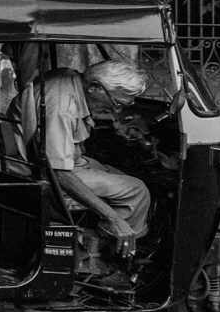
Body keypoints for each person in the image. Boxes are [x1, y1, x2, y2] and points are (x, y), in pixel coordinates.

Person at [38, 58, 153, 285]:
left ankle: (101, 242)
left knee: (120, 175)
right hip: (45, 174)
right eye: (116, 102)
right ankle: (103, 255)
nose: (115, 109)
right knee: (138, 191)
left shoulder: (69, 77)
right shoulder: (63, 108)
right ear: (95, 87)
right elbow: (59, 172)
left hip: (58, 161)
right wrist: (111, 217)